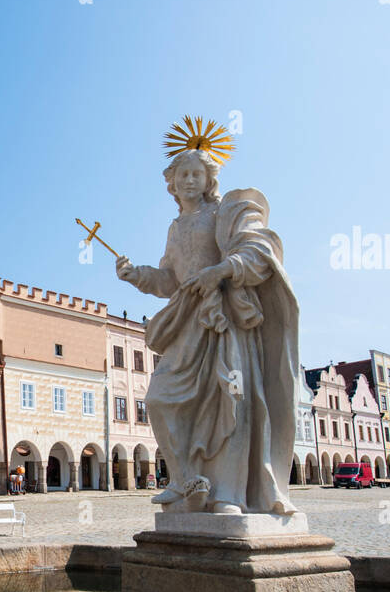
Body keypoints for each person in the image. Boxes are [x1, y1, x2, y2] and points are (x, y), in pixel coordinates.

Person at [116, 146, 299, 515]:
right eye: (181, 175)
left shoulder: (223, 214)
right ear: (171, 184)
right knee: (159, 398)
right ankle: (186, 480)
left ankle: (228, 495)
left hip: (225, 322)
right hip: (188, 322)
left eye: (196, 174)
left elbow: (259, 251)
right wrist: (138, 276)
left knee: (232, 400)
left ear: (209, 179)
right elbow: (171, 278)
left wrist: (223, 269)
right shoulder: (176, 227)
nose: (188, 181)